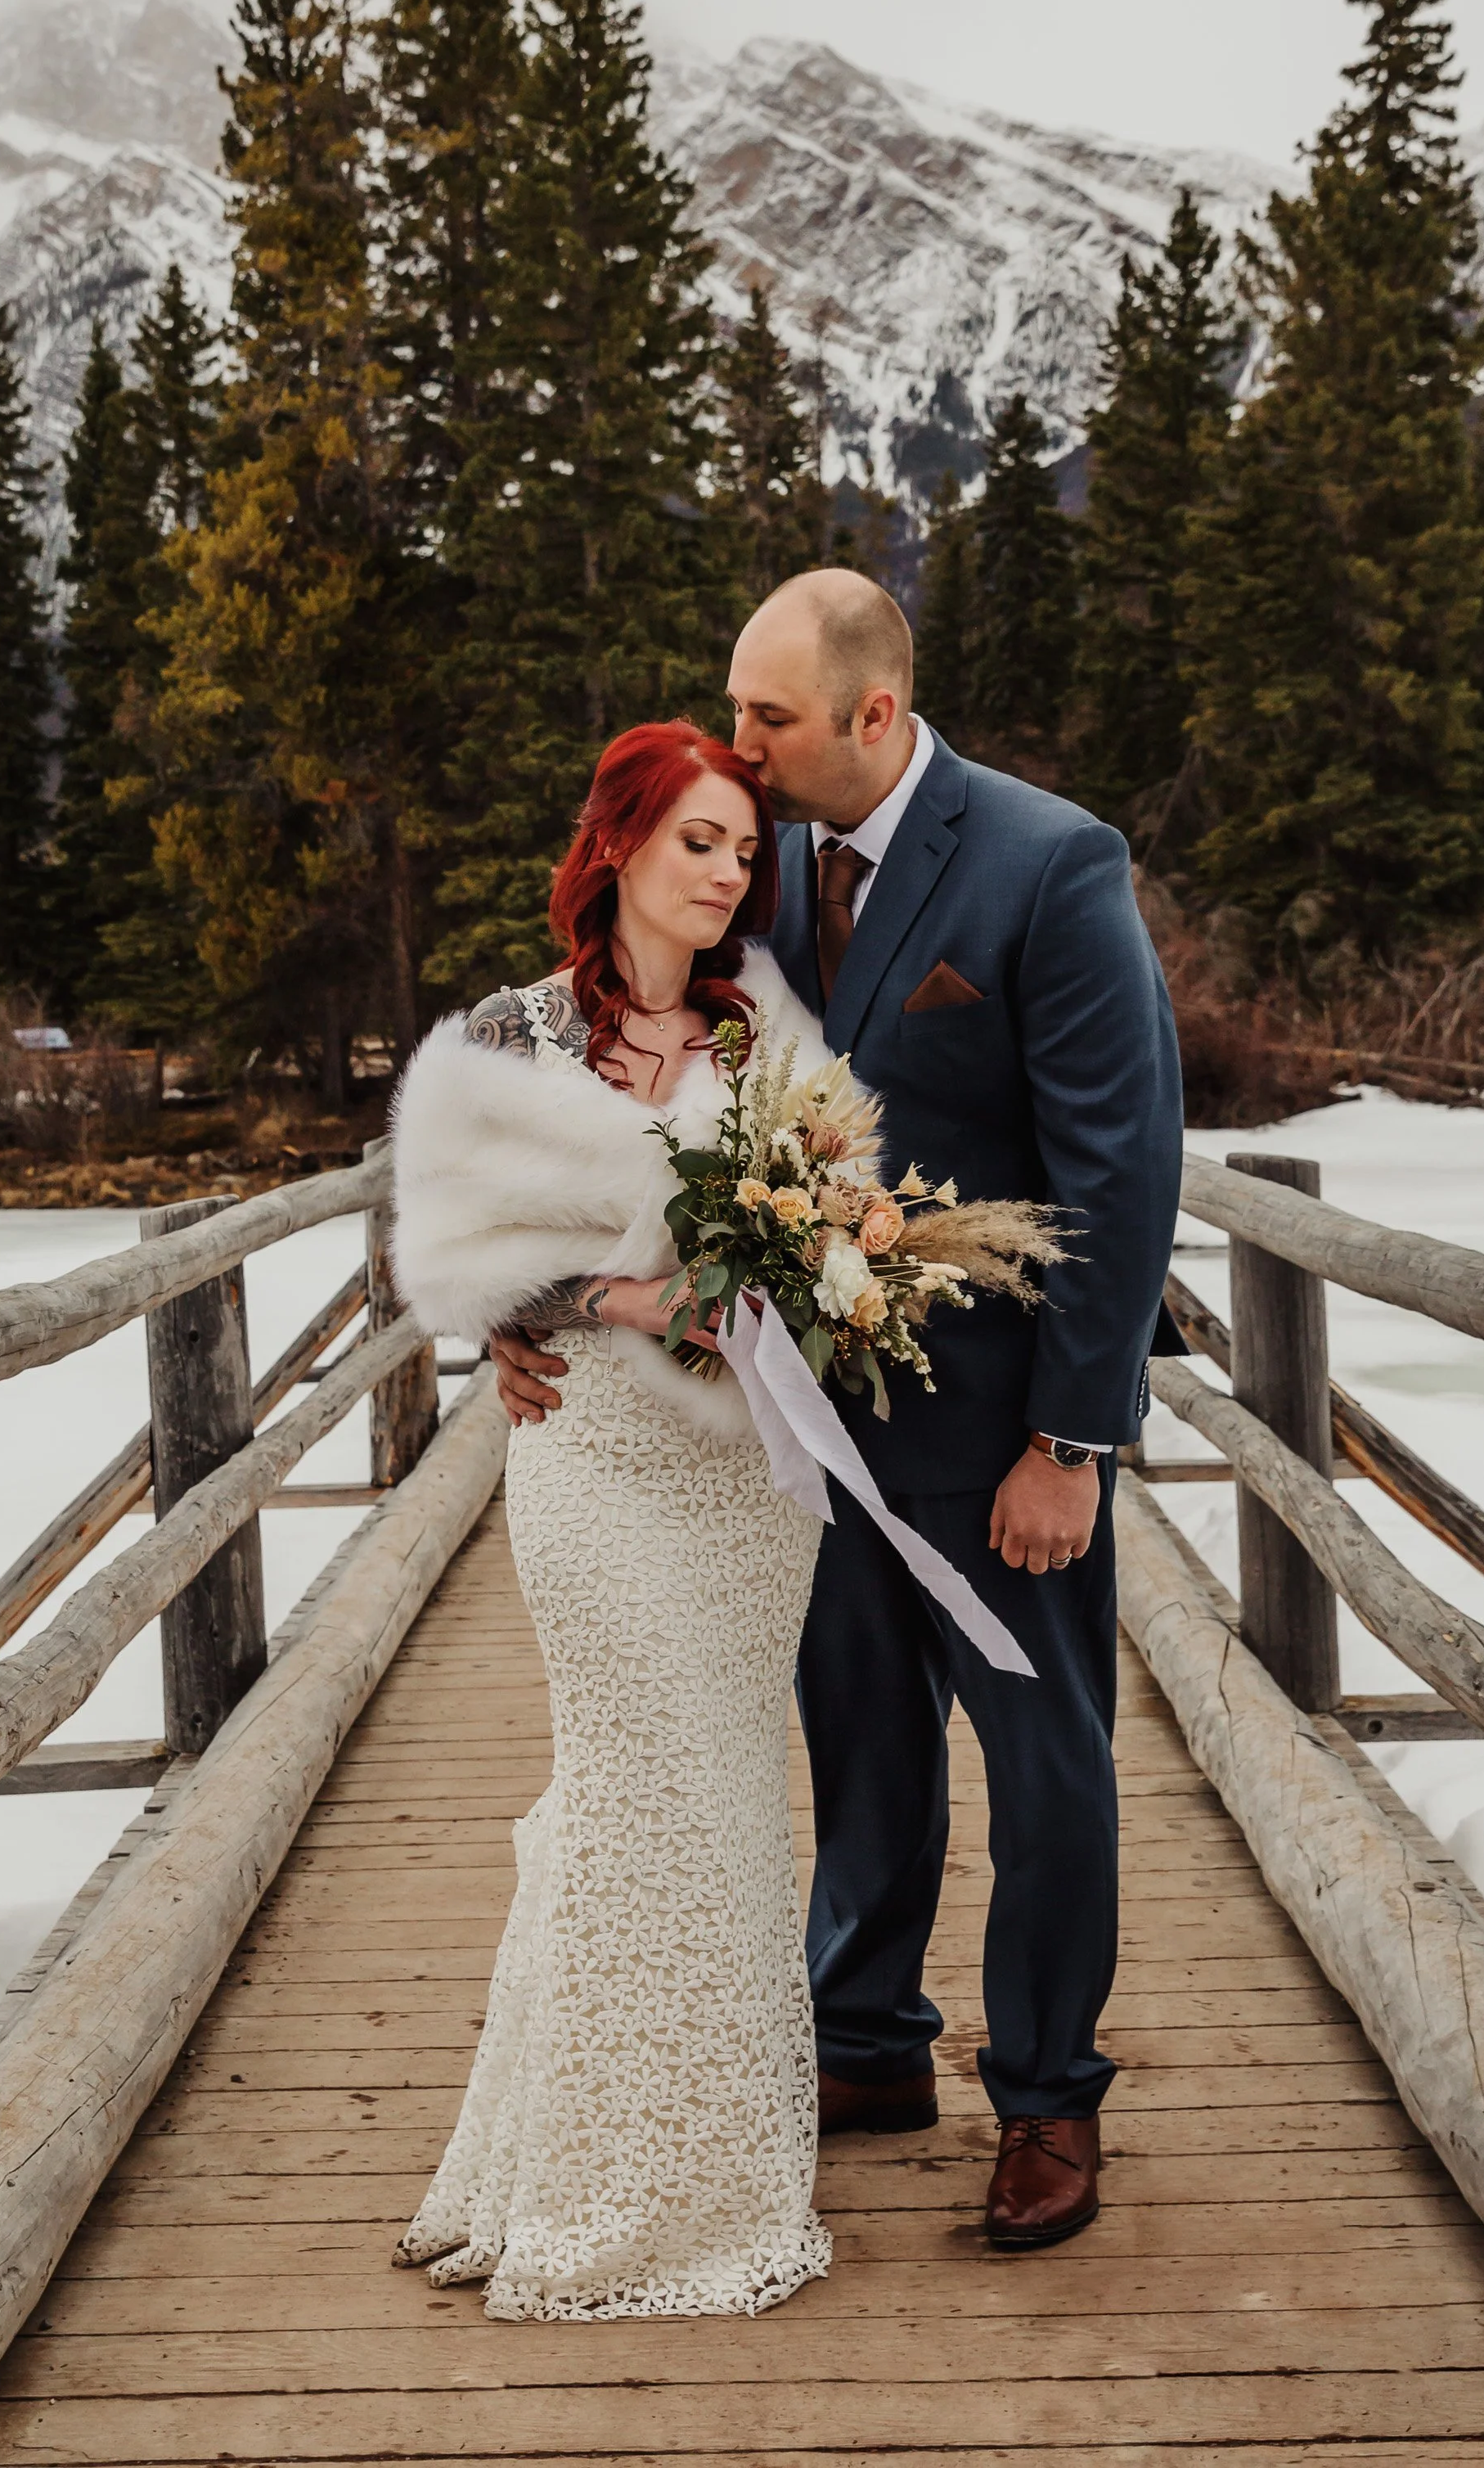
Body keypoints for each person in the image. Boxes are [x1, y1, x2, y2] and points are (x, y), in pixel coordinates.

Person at [493, 570, 1184, 2251]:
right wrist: (522, 1304)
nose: (738, 747)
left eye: (769, 719)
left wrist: (1072, 1442)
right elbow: (625, 1084)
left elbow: (1122, 1165)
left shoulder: (1048, 863)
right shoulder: (753, 866)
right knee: (857, 1743)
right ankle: (867, 2042)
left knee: (1044, 1767)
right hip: (791, 1437)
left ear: (875, 715)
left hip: (999, 1437)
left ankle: (1044, 2096)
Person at [386, 719, 835, 2320]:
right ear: (622, 840)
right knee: (633, 1778)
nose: (726, 873)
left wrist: (789, 1283)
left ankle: (688, 2167)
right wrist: (609, 1296)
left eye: (742, 849)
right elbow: (449, 1253)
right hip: (585, 1458)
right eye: (698, 840)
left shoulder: (765, 1036)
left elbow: (833, 1233)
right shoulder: (511, 1036)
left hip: (737, 1488)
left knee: (708, 1807)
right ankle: (610, 2193)